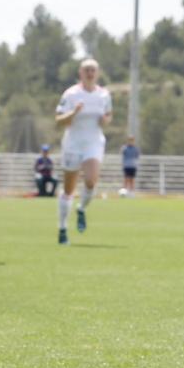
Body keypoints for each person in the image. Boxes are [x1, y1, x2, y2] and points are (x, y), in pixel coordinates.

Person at [54, 58, 112, 244]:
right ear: (80, 73)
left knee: (90, 181)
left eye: (93, 70)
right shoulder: (71, 94)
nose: (90, 73)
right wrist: (74, 112)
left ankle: (81, 209)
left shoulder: (103, 95)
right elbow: (59, 119)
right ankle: (62, 228)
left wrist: (105, 120)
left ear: (98, 73)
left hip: (93, 142)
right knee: (69, 189)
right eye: (86, 70)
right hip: (73, 143)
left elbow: (108, 115)